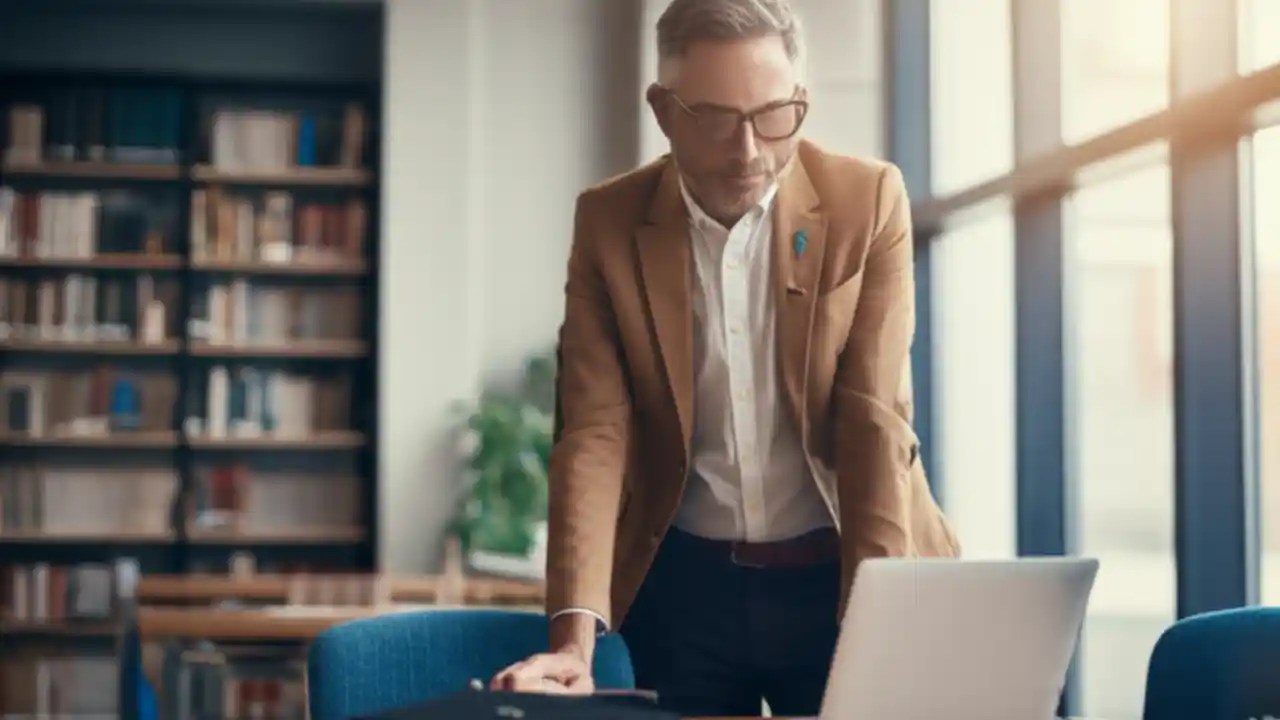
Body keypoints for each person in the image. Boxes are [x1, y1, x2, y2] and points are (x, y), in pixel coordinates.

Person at [493, 0, 959, 715]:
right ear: (664, 111)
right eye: (716, 119)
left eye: (774, 115)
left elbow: (875, 420)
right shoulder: (610, 221)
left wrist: (880, 626)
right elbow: (594, 433)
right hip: (685, 588)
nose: (749, 151)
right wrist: (573, 646)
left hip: (843, 571)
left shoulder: (868, 200)